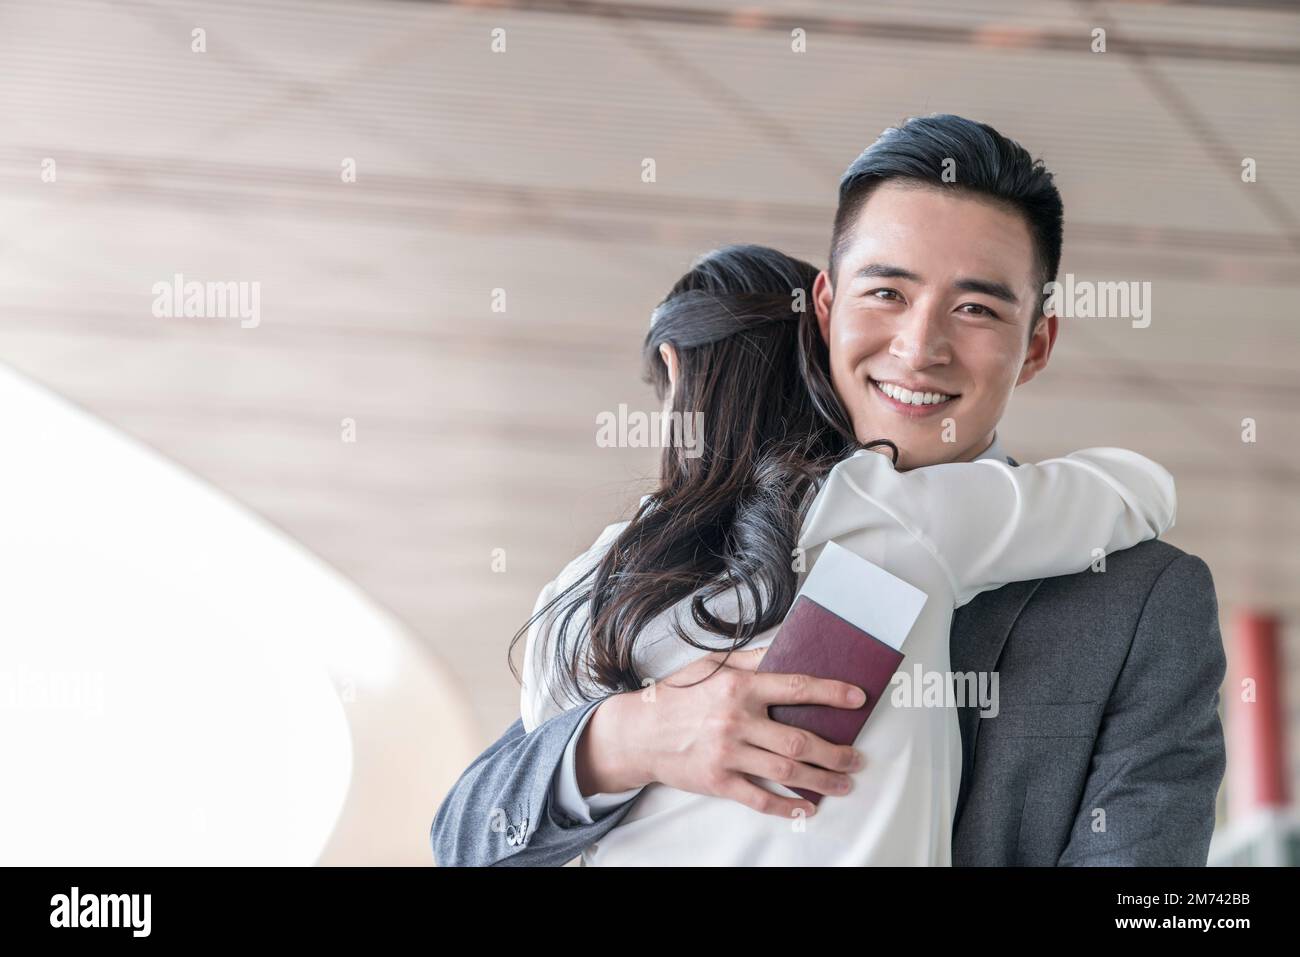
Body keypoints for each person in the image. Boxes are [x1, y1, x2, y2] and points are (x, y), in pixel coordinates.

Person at [431, 114, 1226, 867]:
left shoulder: (1140, 600)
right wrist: (628, 739)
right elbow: (469, 833)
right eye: (887, 292)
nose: (920, 348)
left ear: (1036, 345)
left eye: (976, 307)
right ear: (825, 307)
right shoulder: (693, 549)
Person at [513, 243, 1173, 866]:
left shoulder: (573, 600)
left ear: (675, 367)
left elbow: (528, 816)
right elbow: (1137, 492)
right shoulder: (891, 510)